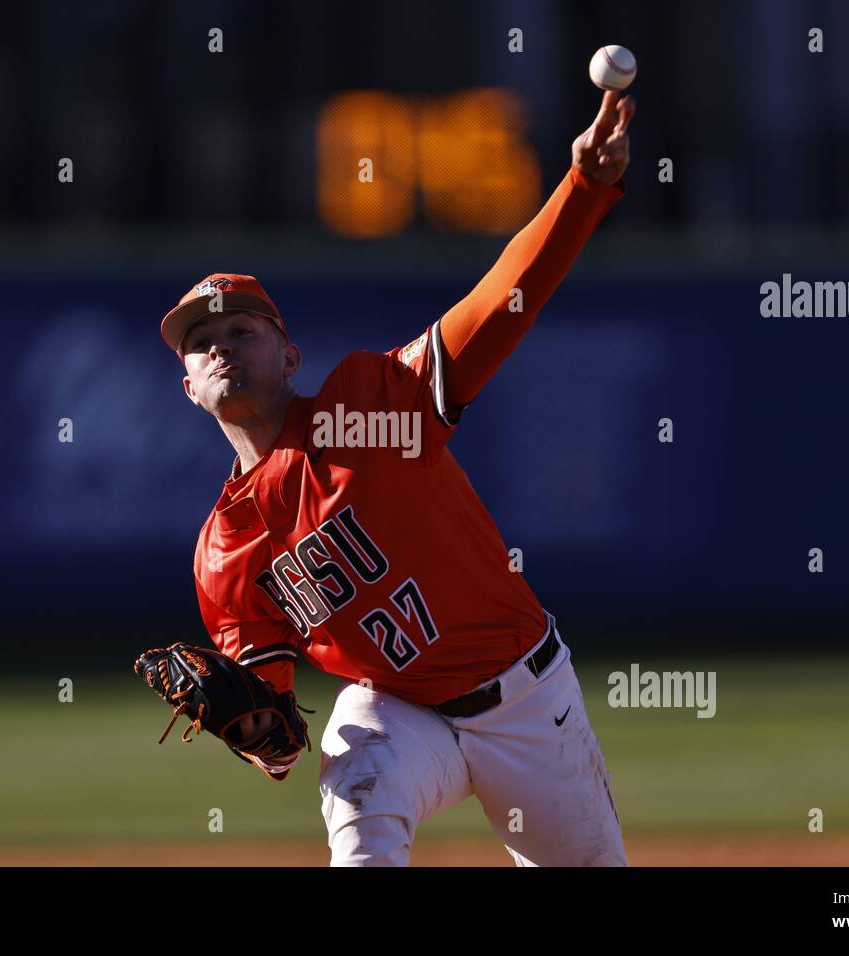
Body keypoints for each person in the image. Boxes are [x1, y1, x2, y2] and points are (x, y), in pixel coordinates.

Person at [159, 91, 636, 866]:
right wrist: (254, 732)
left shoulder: (369, 406)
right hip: (400, 713)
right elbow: (277, 739)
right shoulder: (224, 550)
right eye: (201, 342)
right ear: (187, 387)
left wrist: (582, 189)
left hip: (524, 698)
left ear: (288, 357)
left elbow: (499, 307)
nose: (221, 347)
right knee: (358, 782)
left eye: (243, 330)